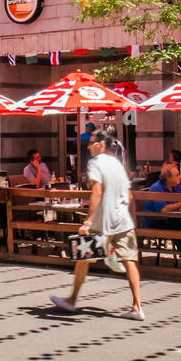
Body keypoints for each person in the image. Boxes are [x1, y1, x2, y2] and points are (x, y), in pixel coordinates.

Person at [50, 129, 145, 321]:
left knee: (83, 259)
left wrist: (87, 220)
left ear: (101, 144)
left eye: (91, 142)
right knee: (130, 262)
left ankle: (72, 300)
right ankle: (137, 307)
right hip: (123, 220)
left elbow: (97, 191)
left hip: (102, 223)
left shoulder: (95, 163)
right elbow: (130, 195)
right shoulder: (118, 164)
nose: (88, 146)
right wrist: (133, 221)